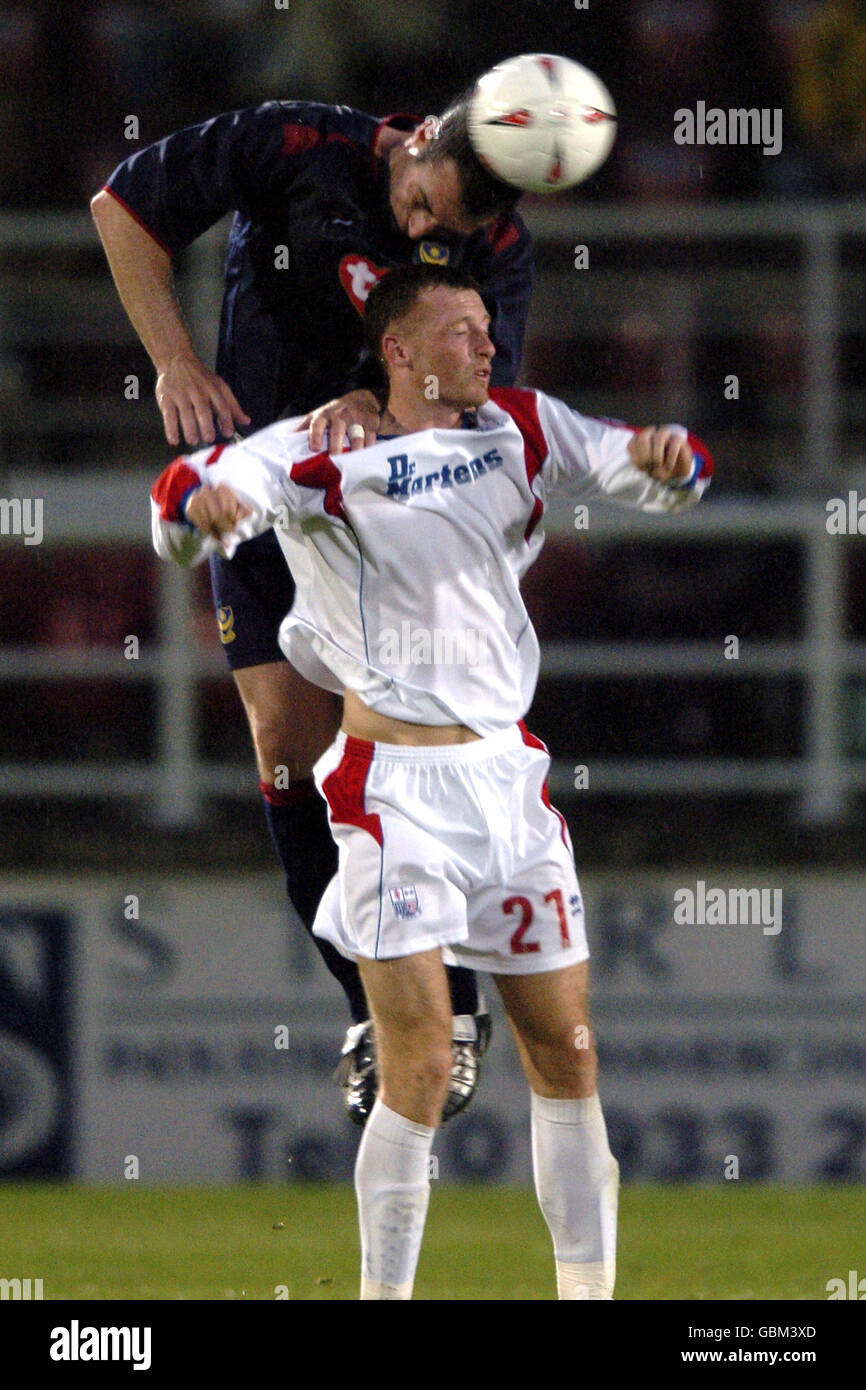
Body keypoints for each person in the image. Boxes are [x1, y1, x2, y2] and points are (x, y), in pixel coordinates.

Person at [149, 264, 713, 1300]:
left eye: (486, 325)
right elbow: (179, 494)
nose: (486, 343)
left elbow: (651, 465)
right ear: (397, 353)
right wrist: (205, 505)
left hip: (507, 782)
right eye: (459, 330)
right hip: (392, 789)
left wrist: (671, 463)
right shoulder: (328, 454)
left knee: (567, 1058)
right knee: (414, 1068)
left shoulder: (521, 426)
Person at [92, 86, 535, 1123]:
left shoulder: (499, 243)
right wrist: (173, 362)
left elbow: (479, 395)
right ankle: (371, 1010)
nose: (426, 232)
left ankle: (451, 1014)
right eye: (425, 205)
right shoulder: (297, 142)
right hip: (262, 484)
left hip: (393, 509)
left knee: (399, 755)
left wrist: (377, 410)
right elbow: (123, 207)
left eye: (448, 229)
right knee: (285, 748)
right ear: (419, 139)